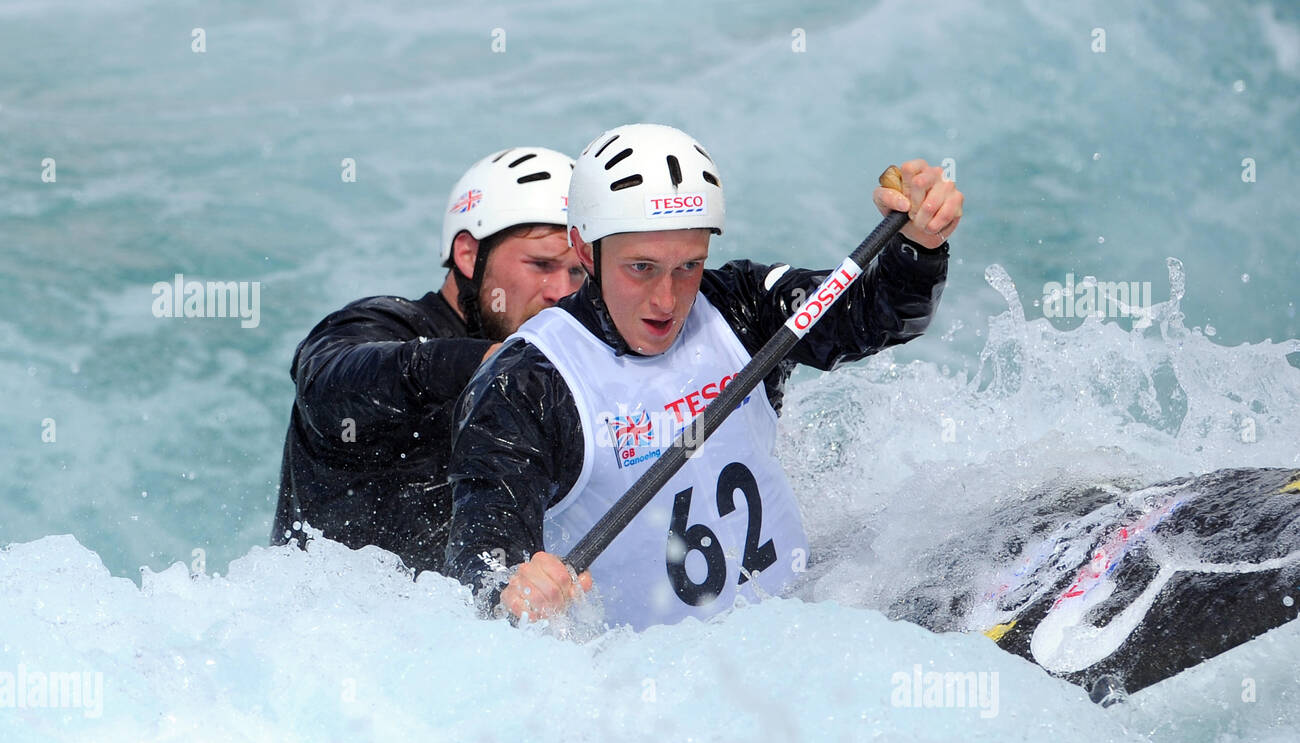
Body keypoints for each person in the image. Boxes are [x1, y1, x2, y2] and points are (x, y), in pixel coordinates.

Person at [445, 124, 963, 627]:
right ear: (585, 249)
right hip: (661, 685)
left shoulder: (742, 306)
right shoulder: (525, 386)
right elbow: (481, 570)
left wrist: (918, 246)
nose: (666, 301)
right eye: (641, 268)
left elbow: (879, 315)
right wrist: (511, 589)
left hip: (810, 629)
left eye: (688, 266)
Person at [272, 146, 585, 573]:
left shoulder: (558, 368)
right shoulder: (384, 324)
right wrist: (490, 362)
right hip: (333, 627)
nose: (560, 292)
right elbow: (323, 386)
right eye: (541, 264)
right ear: (469, 256)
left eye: (577, 273)